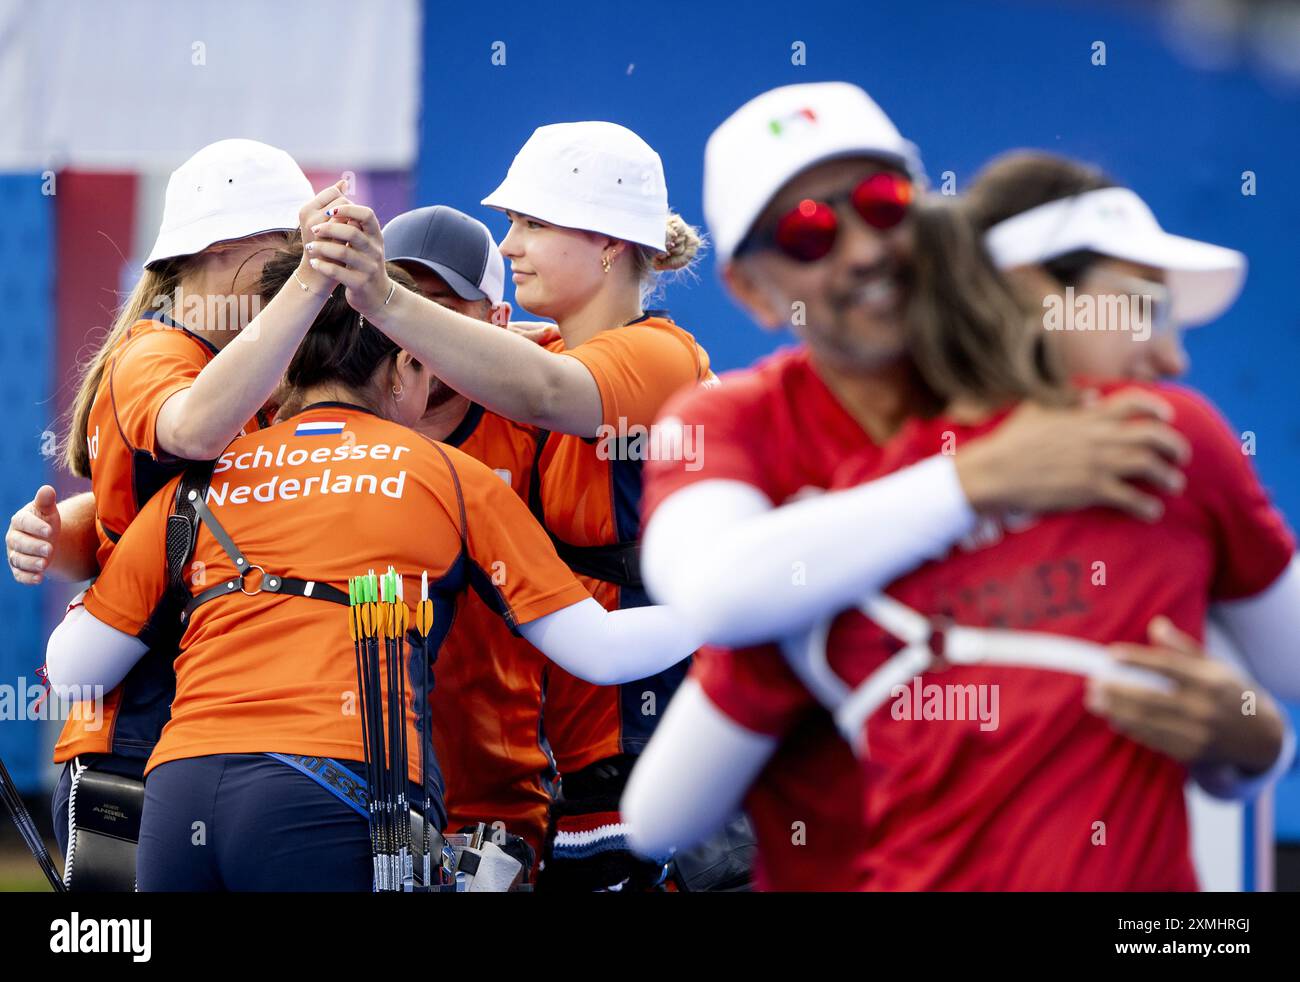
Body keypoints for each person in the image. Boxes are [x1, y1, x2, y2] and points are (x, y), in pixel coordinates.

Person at [620, 82, 1296, 889]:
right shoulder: (731, 422)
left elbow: (1188, 660)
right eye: (807, 234)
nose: (864, 248)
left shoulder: (1103, 426)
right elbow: (713, 597)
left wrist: (1253, 752)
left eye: (882, 202)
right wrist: (976, 482)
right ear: (749, 291)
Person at [42, 251, 701, 891]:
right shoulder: (447, 476)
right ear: (404, 366)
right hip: (340, 793)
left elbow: (76, 669)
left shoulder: (202, 483)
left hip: (180, 796)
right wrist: (722, 611)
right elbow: (601, 649)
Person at [305, 122, 714, 889]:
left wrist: (382, 294)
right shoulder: (552, 353)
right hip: (592, 768)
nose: (512, 243)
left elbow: (542, 390)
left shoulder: (660, 355)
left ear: (608, 244)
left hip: (662, 746)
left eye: (533, 222)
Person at [6, 139, 352, 875]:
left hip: (195, 722)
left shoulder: (241, 360)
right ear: (223, 249)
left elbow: (141, 508)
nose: (297, 273)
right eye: (288, 251)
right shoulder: (155, 351)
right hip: (132, 736)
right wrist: (312, 284)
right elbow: (193, 430)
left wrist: (58, 531)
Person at [965, 149, 1297, 773]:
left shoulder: (1173, 446)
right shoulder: (1170, 432)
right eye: (1144, 307)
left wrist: (1259, 745)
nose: (1174, 362)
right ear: (1030, 291)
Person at [380, 204, 552, 866]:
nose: (416, 327)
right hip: (349, 787)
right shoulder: (313, 410)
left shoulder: (541, 422)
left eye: (443, 307)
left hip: (502, 799)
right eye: (397, 299)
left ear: (498, 322)